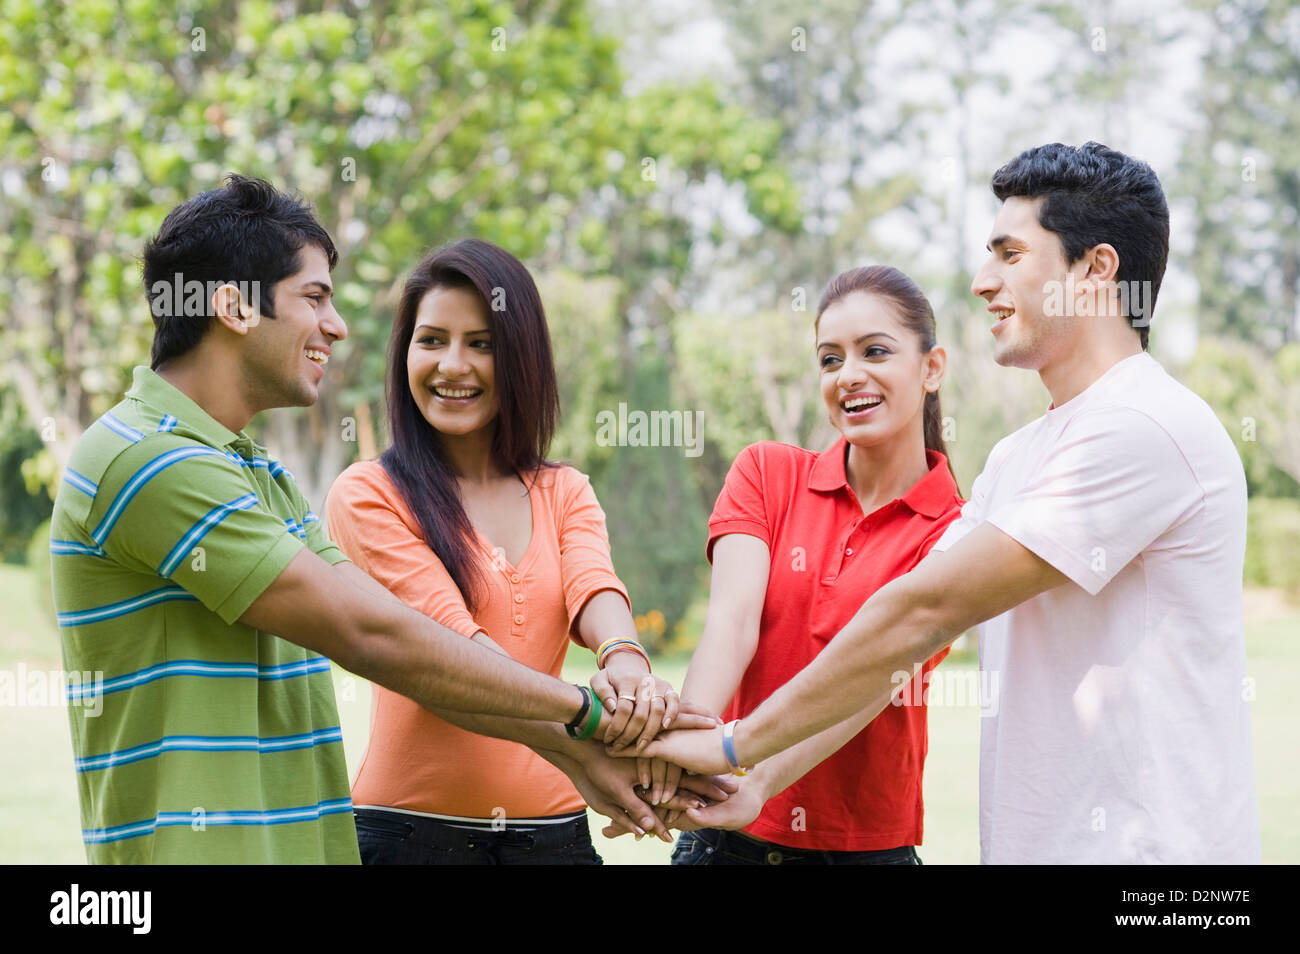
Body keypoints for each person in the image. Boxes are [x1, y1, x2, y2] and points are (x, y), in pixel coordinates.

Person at [633, 142, 1261, 865]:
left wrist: (732, 743)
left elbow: (919, 611)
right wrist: (760, 779)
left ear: (1094, 270)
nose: (981, 281)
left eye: (1010, 254)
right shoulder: (1015, 459)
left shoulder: (1146, 426)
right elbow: (896, 651)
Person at [48, 176, 691, 864]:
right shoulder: (146, 458)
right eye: (315, 298)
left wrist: (576, 754)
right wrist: (586, 717)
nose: (337, 325)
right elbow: (376, 635)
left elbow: (415, 651)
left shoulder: (257, 476)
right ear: (233, 307)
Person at [325, 238, 724, 864]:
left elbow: (594, 586)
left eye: (481, 344)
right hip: (407, 839)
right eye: (431, 340)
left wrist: (630, 672)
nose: (452, 365)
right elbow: (451, 655)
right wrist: (591, 724)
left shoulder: (563, 490)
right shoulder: (369, 493)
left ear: (521, 359)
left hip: (556, 840)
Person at [661, 265, 962, 865]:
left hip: (861, 850)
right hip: (725, 844)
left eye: (874, 351)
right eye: (830, 359)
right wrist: (678, 758)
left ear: (931, 368)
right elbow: (731, 625)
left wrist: (761, 781)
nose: (849, 376)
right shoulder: (767, 472)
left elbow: (872, 683)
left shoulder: (956, 532)